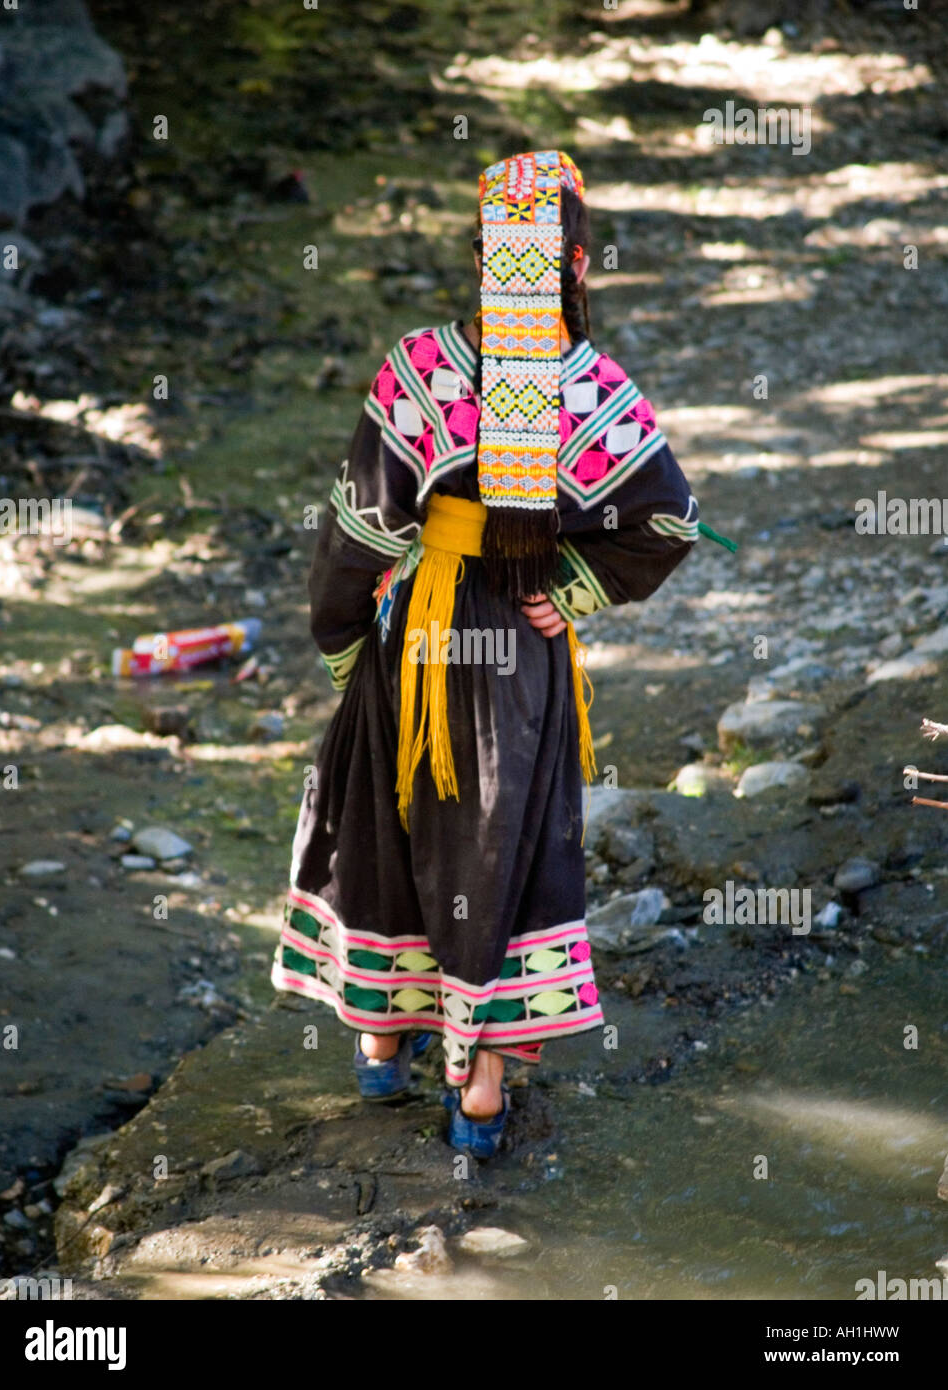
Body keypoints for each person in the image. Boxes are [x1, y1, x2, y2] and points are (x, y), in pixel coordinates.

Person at [271, 150, 700, 1157]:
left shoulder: (416, 369)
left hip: (414, 639)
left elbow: (359, 532)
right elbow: (670, 521)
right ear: (577, 267)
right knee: (502, 847)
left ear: (480, 262)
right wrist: (571, 588)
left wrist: (341, 643)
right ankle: (478, 1091)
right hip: (518, 651)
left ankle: (383, 1043)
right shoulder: (592, 389)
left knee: (388, 816)